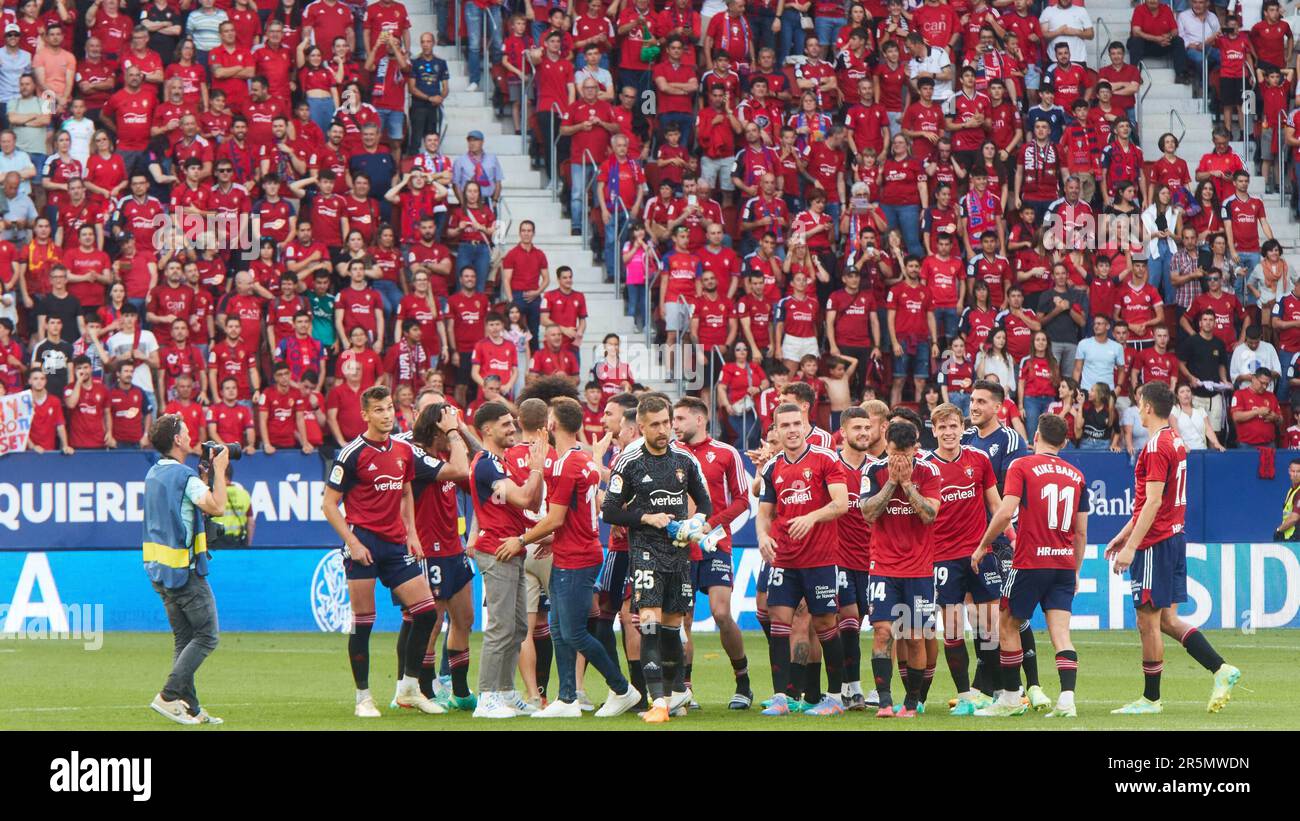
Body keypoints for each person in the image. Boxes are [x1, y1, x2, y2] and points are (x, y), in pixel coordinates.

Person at [1106, 381, 1241, 714]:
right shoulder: (1175, 441)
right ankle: (1221, 669)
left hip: (1155, 543)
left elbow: (1152, 503)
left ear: (1148, 407)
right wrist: (1124, 534)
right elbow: (1155, 502)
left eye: (1139, 403)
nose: (1138, 408)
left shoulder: (1155, 446)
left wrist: (1132, 547)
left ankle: (1151, 699)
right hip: (1172, 538)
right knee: (1166, 620)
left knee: (1147, 622)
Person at [508, 397, 642, 718]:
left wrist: (521, 539)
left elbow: (554, 518)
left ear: (553, 425)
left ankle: (622, 688)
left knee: (575, 633)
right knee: (557, 628)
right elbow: (581, 512)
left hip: (577, 557)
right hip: (573, 550)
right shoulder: (580, 459)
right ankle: (566, 698)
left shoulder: (568, 464)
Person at [321, 385, 445, 718]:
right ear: (365, 415)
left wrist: (412, 534)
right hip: (363, 543)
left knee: (426, 613)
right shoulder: (351, 454)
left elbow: (406, 493)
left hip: (395, 544)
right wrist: (353, 543)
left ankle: (408, 688)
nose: (387, 414)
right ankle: (363, 697)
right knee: (363, 623)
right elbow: (329, 505)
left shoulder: (403, 450)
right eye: (378, 409)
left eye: (389, 407)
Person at [600, 394, 712, 723]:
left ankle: (677, 691)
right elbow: (608, 511)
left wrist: (696, 522)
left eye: (667, 422)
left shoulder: (685, 460)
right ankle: (658, 701)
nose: (664, 430)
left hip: (678, 557)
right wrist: (646, 518)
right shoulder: (629, 462)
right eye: (656, 425)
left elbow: (705, 502)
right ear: (642, 428)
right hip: (646, 554)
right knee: (648, 627)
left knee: (671, 630)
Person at [971, 412, 1086, 717]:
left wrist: (983, 544)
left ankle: (1010, 699)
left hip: (1029, 561)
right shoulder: (1077, 475)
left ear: (1035, 437)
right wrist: (1076, 569)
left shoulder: (1021, 465)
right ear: (1063, 442)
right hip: (1062, 564)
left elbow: (1006, 511)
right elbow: (1081, 530)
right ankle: (1067, 700)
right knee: (1061, 632)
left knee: (1007, 622)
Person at [142, 414, 229, 725]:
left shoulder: (154, 473)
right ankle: (167, 696)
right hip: (185, 572)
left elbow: (179, 510)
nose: (193, 436)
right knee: (207, 637)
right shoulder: (184, 477)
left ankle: (189, 705)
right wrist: (218, 471)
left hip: (159, 570)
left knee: (184, 638)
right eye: (188, 432)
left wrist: (204, 480)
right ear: (177, 439)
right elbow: (217, 507)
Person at [466, 400, 548, 719]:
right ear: (487, 430)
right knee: (501, 626)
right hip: (496, 549)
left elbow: (531, 501)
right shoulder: (486, 464)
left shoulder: (499, 464)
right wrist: (537, 468)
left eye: (512, 422)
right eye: (505, 424)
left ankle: (505, 691)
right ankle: (487, 696)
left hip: (511, 548)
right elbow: (527, 497)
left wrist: (534, 471)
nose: (512, 427)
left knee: (515, 627)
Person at [923, 402, 1005, 715]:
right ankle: (965, 696)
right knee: (954, 628)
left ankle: (998, 691)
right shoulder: (925, 467)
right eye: (941, 427)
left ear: (962, 428)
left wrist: (1003, 540)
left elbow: (996, 505)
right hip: (942, 557)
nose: (948, 432)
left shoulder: (979, 459)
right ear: (934, 431)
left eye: (953, 426)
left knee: (988, 626)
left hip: (979, 553)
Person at [673, 396, 753, 708]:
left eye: (680, 419)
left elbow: (743, 500)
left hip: (715, 543)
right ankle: (686, 689)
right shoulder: (671, 454)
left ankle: (743, 683)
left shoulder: (725, 453)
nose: (675, 425)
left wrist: (709, 525)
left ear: (699, 419)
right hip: (680, 548)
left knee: (721, 613)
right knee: (684, 620)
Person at [860, 418, 942, 717]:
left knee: (914, 636)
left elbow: (930, 514)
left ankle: (910, 702)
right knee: (883, 632)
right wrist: (892, 481)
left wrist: (907, 484)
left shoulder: (929, 471)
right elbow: (868, 512)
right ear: (887, 447)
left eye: (905, 455)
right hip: (883, 565)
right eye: (894, 453)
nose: (899, 460)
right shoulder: (873, 471)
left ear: (915, 449)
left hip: (919, 569)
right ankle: (883, 701)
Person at [1273, 459, 1300, 540]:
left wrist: (1279, 530)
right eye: (1293, 471)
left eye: (1298, 471)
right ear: (1289, 471)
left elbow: (1294, 517)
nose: (1295, 474)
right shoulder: (1292, 490)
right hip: (1291, 537)